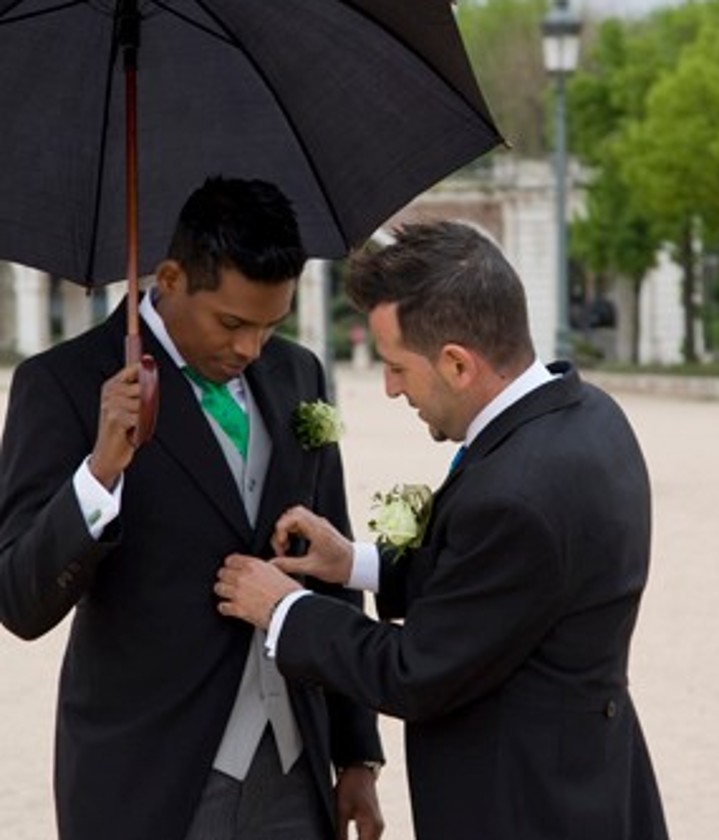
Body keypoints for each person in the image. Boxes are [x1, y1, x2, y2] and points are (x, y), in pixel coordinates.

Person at [215, 220, 670, 840]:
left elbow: (415, 673)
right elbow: (500, 590)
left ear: (456, 362)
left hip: (525, 807)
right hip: (588, 776)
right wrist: (354, 563)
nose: (390, 387)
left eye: (397, 366)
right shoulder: (587, 414)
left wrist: (286, 610)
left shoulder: (516, 496)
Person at [0, 177, 384, 840]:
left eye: (271, 326)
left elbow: (331, 568)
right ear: (170, 277)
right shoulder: (60, 384)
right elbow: (19, 600)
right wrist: (99, 474)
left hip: (297, 766)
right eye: (232, 323)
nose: (249, 350)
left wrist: (356, 752)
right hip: (148, 778)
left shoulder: (300, 375)